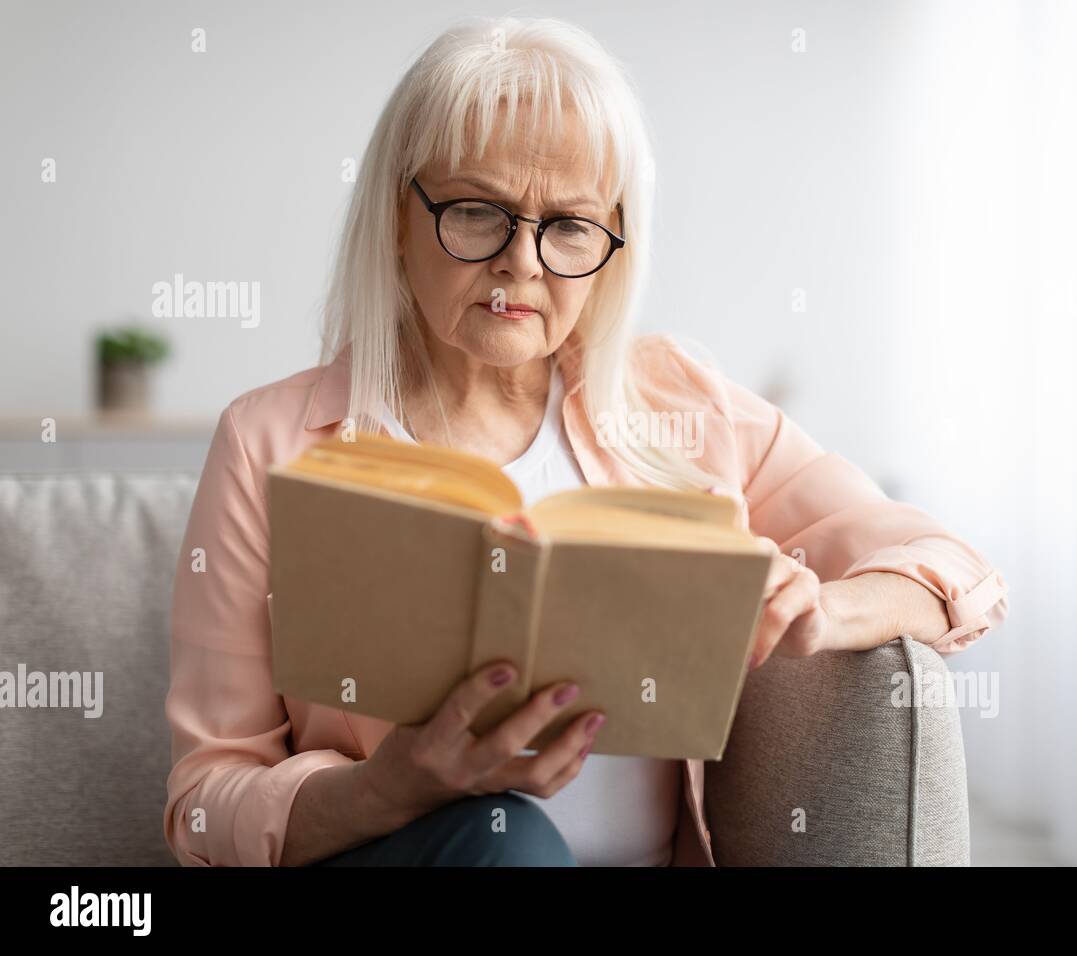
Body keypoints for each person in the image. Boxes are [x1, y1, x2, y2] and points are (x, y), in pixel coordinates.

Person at [163, 16, 1010, 868]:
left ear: (609, 247)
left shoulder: (681, 407)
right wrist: (392, 787)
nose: (522, 264)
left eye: (568, 226)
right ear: (396, 216)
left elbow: (956, 568)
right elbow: (203, 803)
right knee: (506, 841)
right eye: (476, 211)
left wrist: (832, 611)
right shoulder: (267, 442)